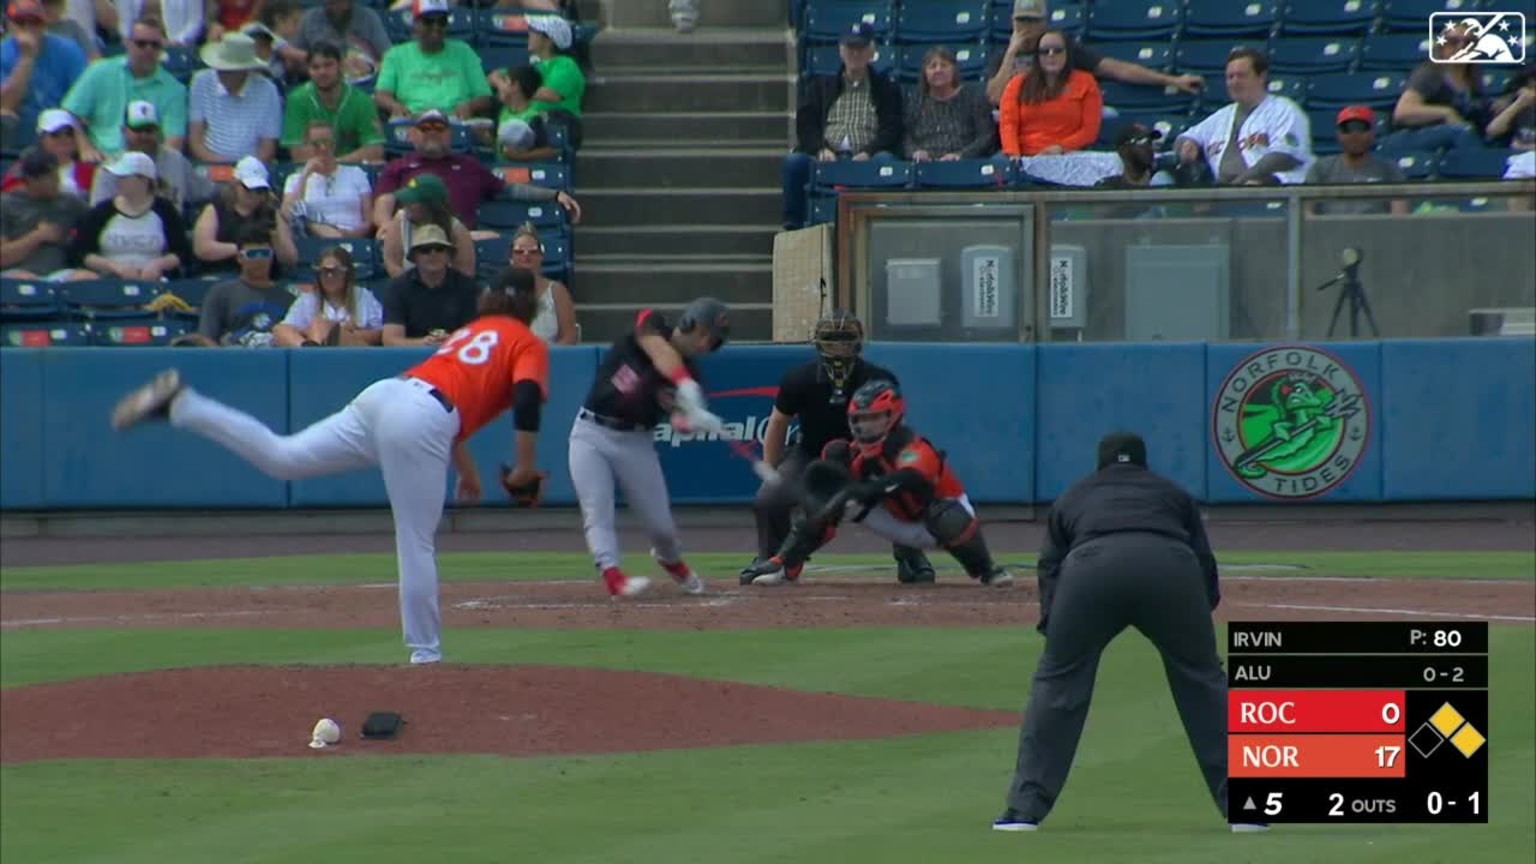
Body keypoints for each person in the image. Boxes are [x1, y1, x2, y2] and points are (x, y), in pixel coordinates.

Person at [109, 266, 552, 666]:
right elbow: (525, 397)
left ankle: (186, 406)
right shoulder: (527, 342)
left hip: (388, 395)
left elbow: (444, 398)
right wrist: (524, 469)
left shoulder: (474, 330)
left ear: (492, 299)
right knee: (416, 541)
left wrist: (468, 472)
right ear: (531, 306)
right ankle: (426, 655)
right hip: (421, 417)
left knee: (283, 458)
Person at [992, 432, 1258, 833]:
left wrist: (1055, 629)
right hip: (1170, 566)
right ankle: (1246, 808)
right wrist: (1197, 624)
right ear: (1142, 463)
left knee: (1059, 682)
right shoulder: (1173, 493)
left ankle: (1023, 812)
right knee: (1203, 680)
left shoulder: (1074, 494)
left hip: (1091, 569)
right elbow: (1204, 562)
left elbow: (1049, 566)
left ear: (1100, 465)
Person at [745, 379, 1014, 589]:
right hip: (896, 520)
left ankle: (987, 570)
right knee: (830, 498)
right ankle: (783, 563)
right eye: (861, 419)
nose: (866, 426)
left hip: (933, 522)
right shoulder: (852, 454)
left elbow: (912, 478)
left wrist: (865, 490)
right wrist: (835, 500)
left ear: (892, 416)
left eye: (874, 418)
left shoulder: (912, 446)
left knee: (946, 514)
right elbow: (835, 499)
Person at [738, 310, 934, 586]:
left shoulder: (879, 378)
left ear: (859, 341)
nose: (839, 347)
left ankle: (911, 556)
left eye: (845, 340)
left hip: (867, 456)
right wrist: (771, 469)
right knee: (769, 497)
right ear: (818, 343)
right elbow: (778, 422)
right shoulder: (799, 378)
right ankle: (773, 559)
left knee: (907, 489)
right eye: (832, 340)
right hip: (810, 453)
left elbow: (897, 427)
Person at [570, 298, 731, 598]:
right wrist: (684, 383)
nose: (707, 344)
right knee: (597, 510)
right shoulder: (652, 323)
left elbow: (679, 420)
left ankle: (669, 559)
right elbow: (659, 352)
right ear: (689, 323)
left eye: (715, 341)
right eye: (706, 334)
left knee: (662, 528)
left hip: (636, 442)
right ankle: (613, 575)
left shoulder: (692, 375)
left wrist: (695, 419)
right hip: (590, 432)